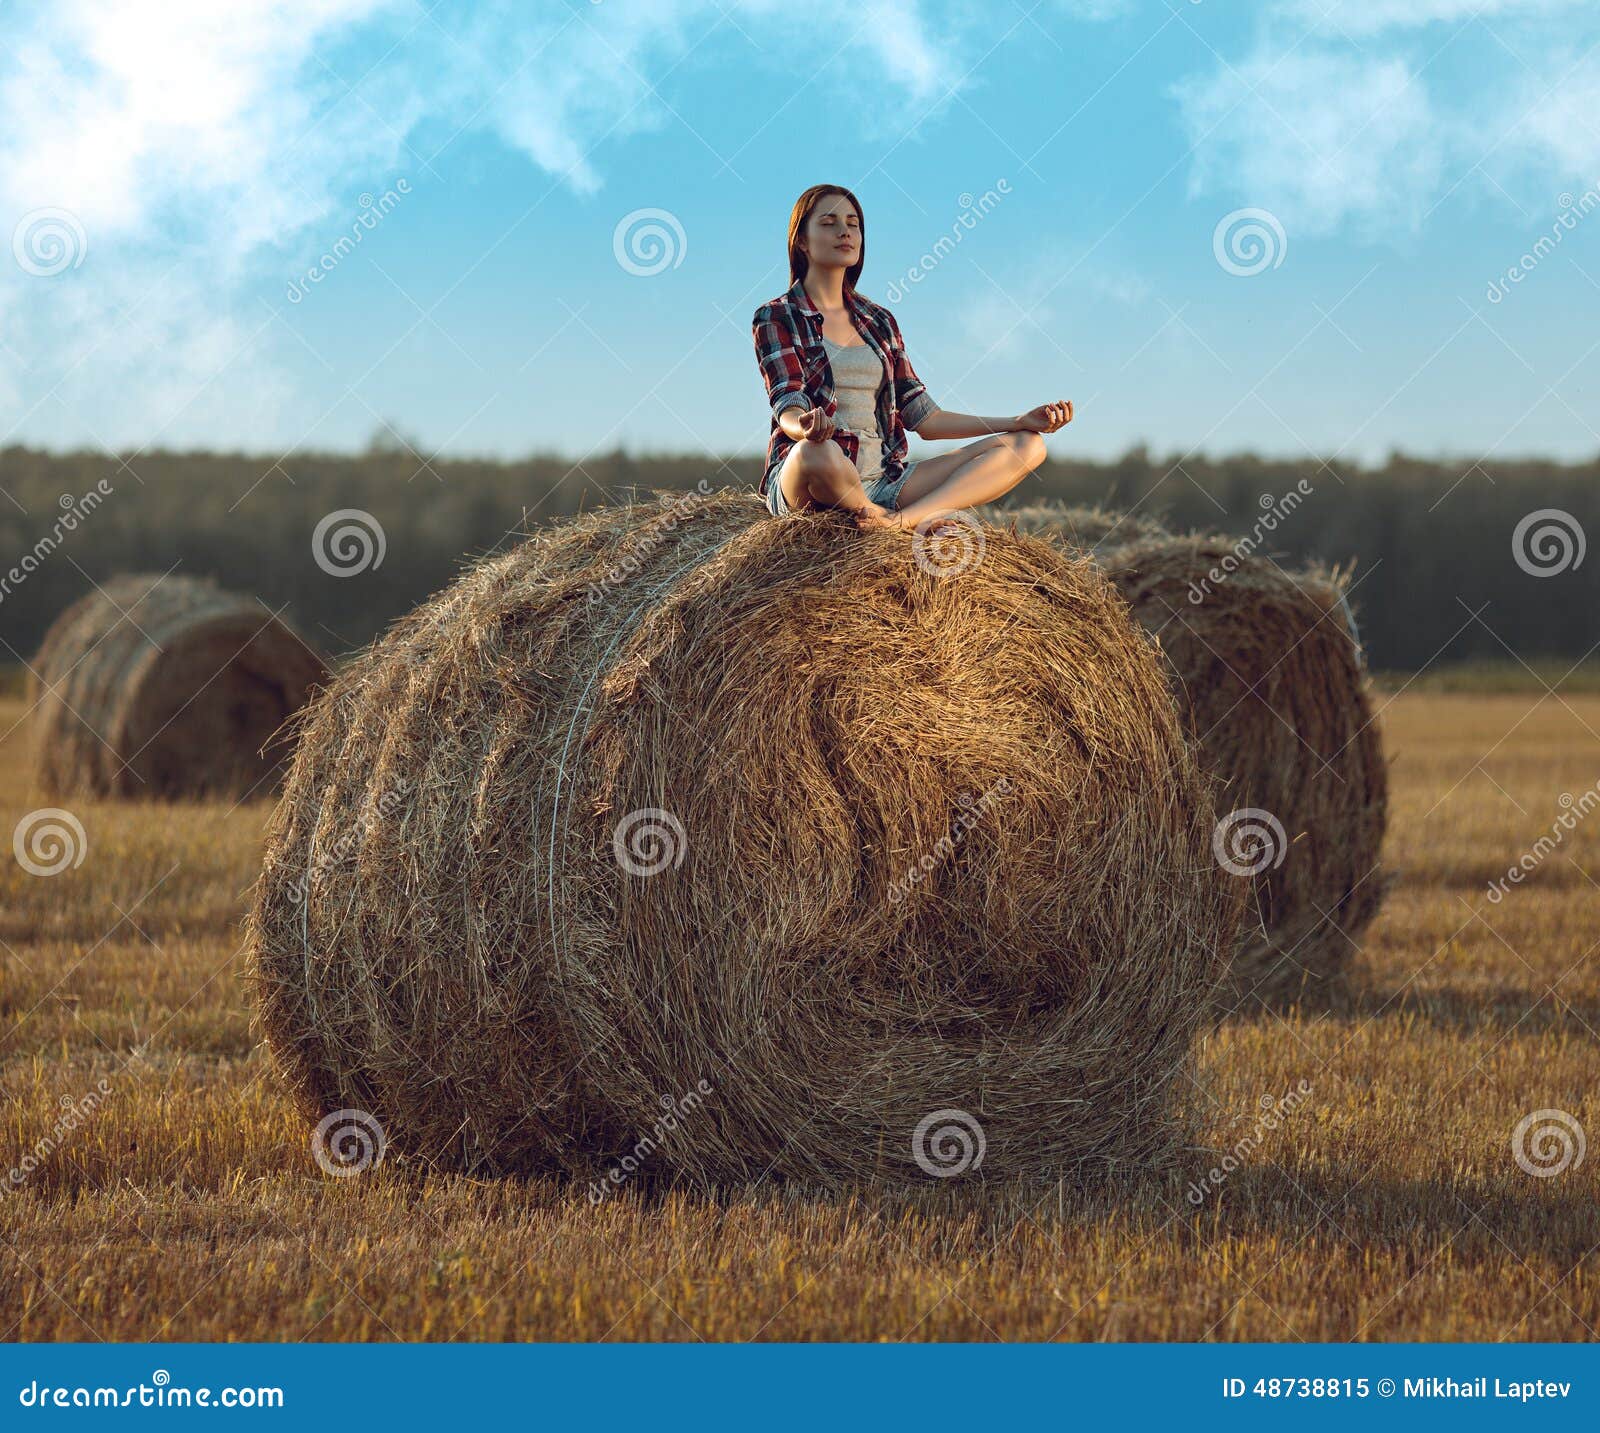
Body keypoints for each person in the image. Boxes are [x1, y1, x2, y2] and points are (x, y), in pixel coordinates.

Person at [752, 182, 1073, 533]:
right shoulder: (777, 316)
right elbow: (787, 404)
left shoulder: (879, 321)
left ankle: (898, 523)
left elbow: (926, 419)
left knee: (1028, 446)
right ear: (801, 240)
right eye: (828, 223)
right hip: (811, 477)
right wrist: (807, 427)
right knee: (818, 452)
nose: (845, 231)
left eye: (853, 223)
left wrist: (1017, 421)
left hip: (885, 481)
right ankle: (872, 514)